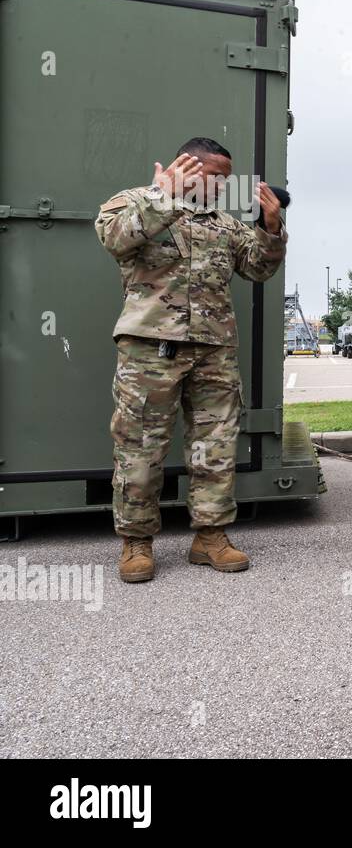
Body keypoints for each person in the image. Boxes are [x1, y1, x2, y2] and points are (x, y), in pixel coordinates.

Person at [94, 138, 288, 582]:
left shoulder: (224, 225)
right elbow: (114, 238)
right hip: (149, 353)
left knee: (215, 448)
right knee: (140, 450)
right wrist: (162, 196)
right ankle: (136, 543)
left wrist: (272, 228)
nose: (222, 187)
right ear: (189, 167)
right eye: (215, 177)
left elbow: (258, 268)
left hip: (214, 351)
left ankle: (210, 536)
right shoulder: (137, 201)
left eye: (226, 179)